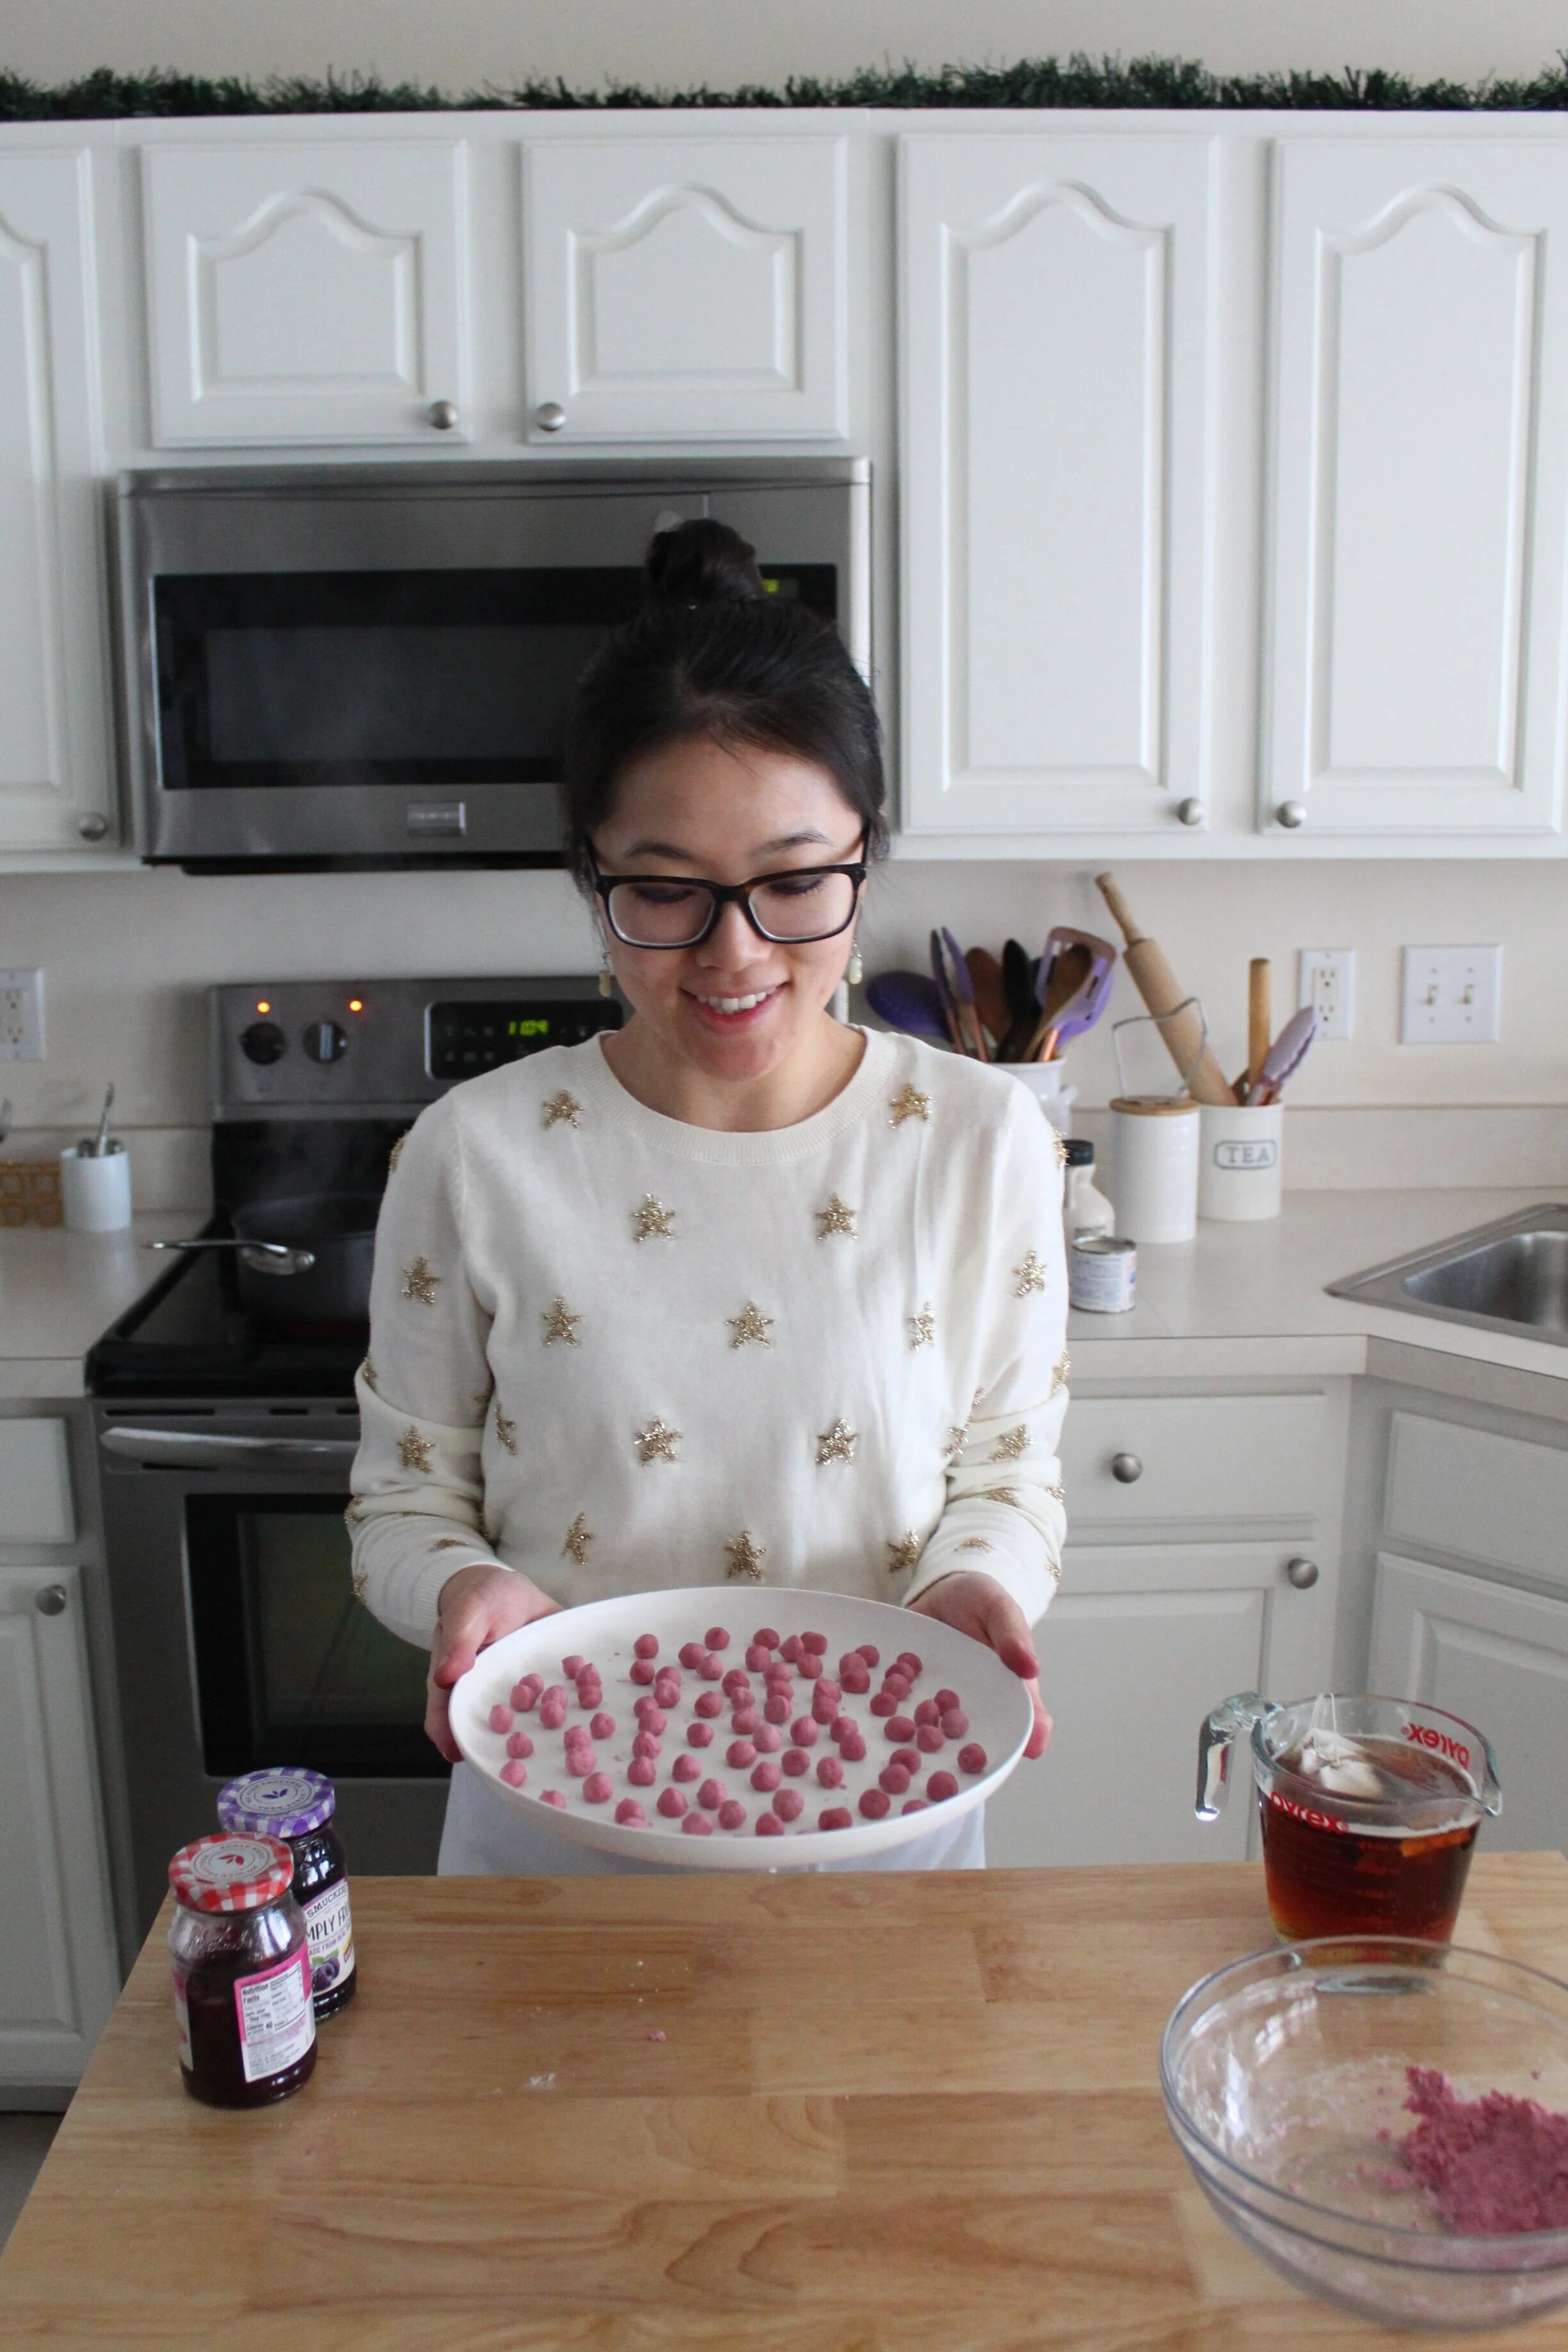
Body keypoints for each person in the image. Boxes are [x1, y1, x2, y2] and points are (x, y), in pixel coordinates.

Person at [349, 518, 1069, 1873]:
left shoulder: (980, 1139)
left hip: (885, 1821)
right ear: (591, 876)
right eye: (665, 892)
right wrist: (462, 1584)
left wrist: (981, 1582)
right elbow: (403, 1500)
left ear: (868, 861)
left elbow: (1008, 1471)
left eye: (797, 881)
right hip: (557, 1833)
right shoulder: (474, 1151)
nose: (735, 954)